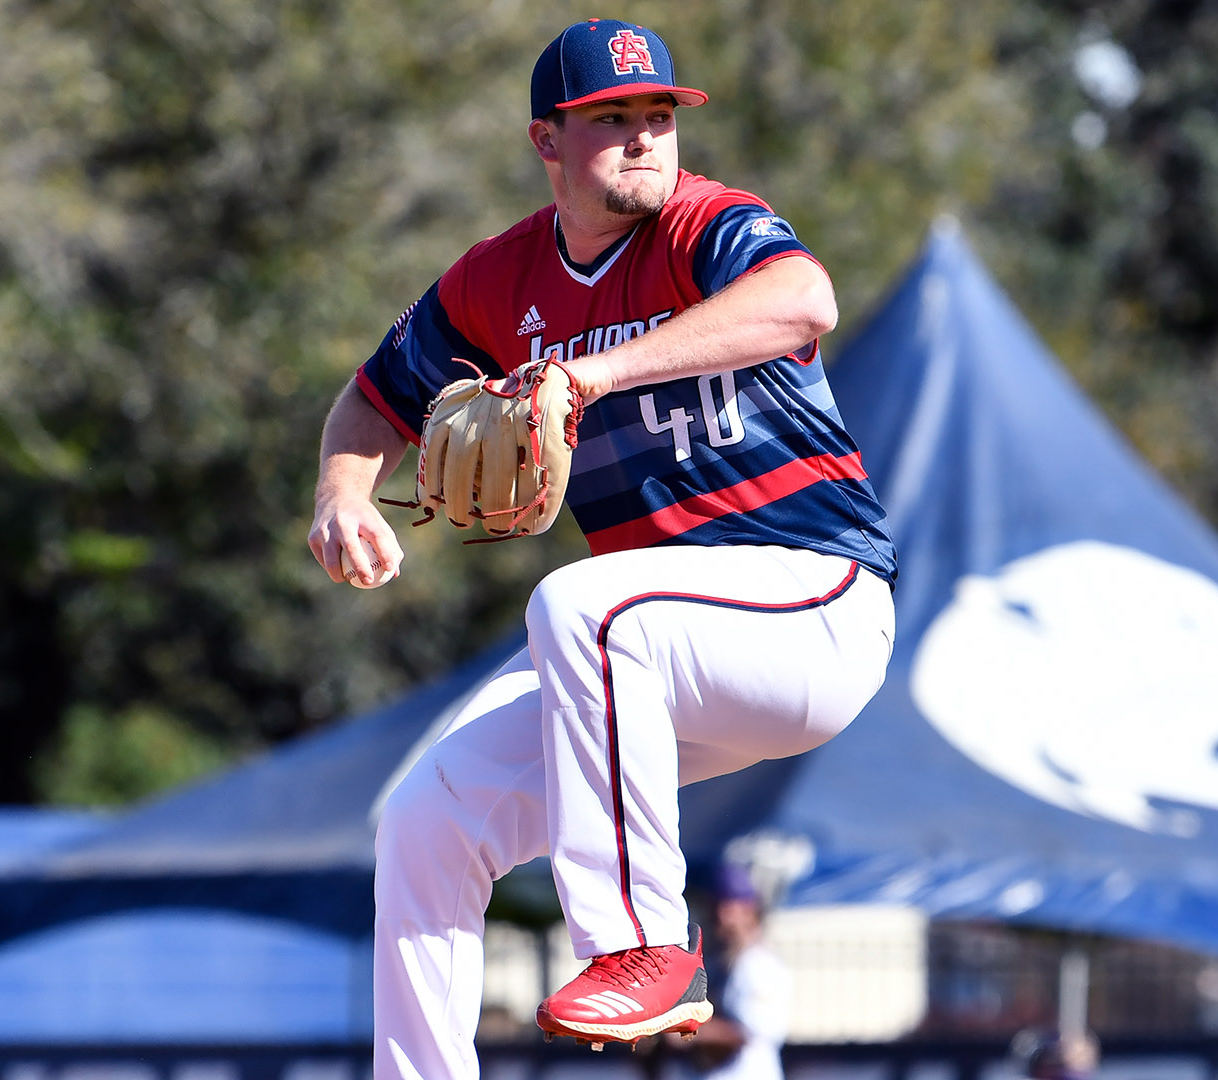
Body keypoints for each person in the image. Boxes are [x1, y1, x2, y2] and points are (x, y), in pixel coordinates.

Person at [306, 18, 898, 1080]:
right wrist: (344, 494)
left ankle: (640, 948)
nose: (642, 139)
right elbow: (373, 398)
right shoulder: (500, 281)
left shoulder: (705, 225)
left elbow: (804, 300)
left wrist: (589, 374)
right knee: (427, 816)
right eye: (610, 119)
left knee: (579, 605)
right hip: (660, 660)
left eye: (658, 116)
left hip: (815, 599)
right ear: (548, 141)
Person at [654, 863, 793, 1080]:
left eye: (729, 907)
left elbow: (750, 1031)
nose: (720, 916)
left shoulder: (757, 964)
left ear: (750, 911)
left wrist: (683, 1030)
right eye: (716, 905)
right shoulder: (718, 959)